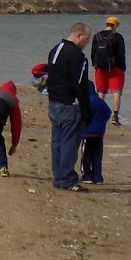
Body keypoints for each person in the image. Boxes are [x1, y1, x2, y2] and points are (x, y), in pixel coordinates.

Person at [44, 22, 93, 192]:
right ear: (79, 35)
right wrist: (86, 110)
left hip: (54, 103)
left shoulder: (55, 50)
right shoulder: (77, 56)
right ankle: (66, 179)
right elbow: (80, 84)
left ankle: (59, 176)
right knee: (69, 143)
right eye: (86, 40)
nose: (86, 44)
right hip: (70, 105)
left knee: (57, 141)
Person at [90, 16, 127, 127]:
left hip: (100, 67)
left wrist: (95, 66)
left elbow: (93, 53)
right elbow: (121, 54)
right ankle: (115, 117)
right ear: (115, 25)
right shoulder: (118, 37)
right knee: (116, 92)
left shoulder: (97, 36)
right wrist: (122, 68)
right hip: (115, 68)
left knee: (101, 92)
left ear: (106, 24)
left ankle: (99, 114)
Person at [81, 91, 113, 185]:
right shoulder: (100, 101)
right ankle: (98, 177)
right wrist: (102, 122)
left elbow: (81, 114)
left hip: (87, 133)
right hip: (99, 133)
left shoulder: (85, 101)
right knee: (97, 156)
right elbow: (108, 112)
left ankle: (87, 175)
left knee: (86, 155)